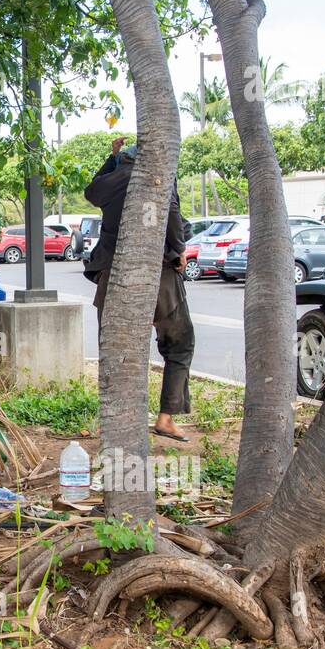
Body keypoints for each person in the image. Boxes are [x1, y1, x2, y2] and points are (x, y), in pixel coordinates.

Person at [83, 137, 194, 441]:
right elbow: (171, 213)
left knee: (119, 353)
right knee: (180, 344)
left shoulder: (111, 182)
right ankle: (166, 418)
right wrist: (180, 248)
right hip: (158, 278)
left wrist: (111, 159)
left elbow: (92, 190)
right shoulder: (158, 176)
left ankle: (118, 423)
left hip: (111, 278)